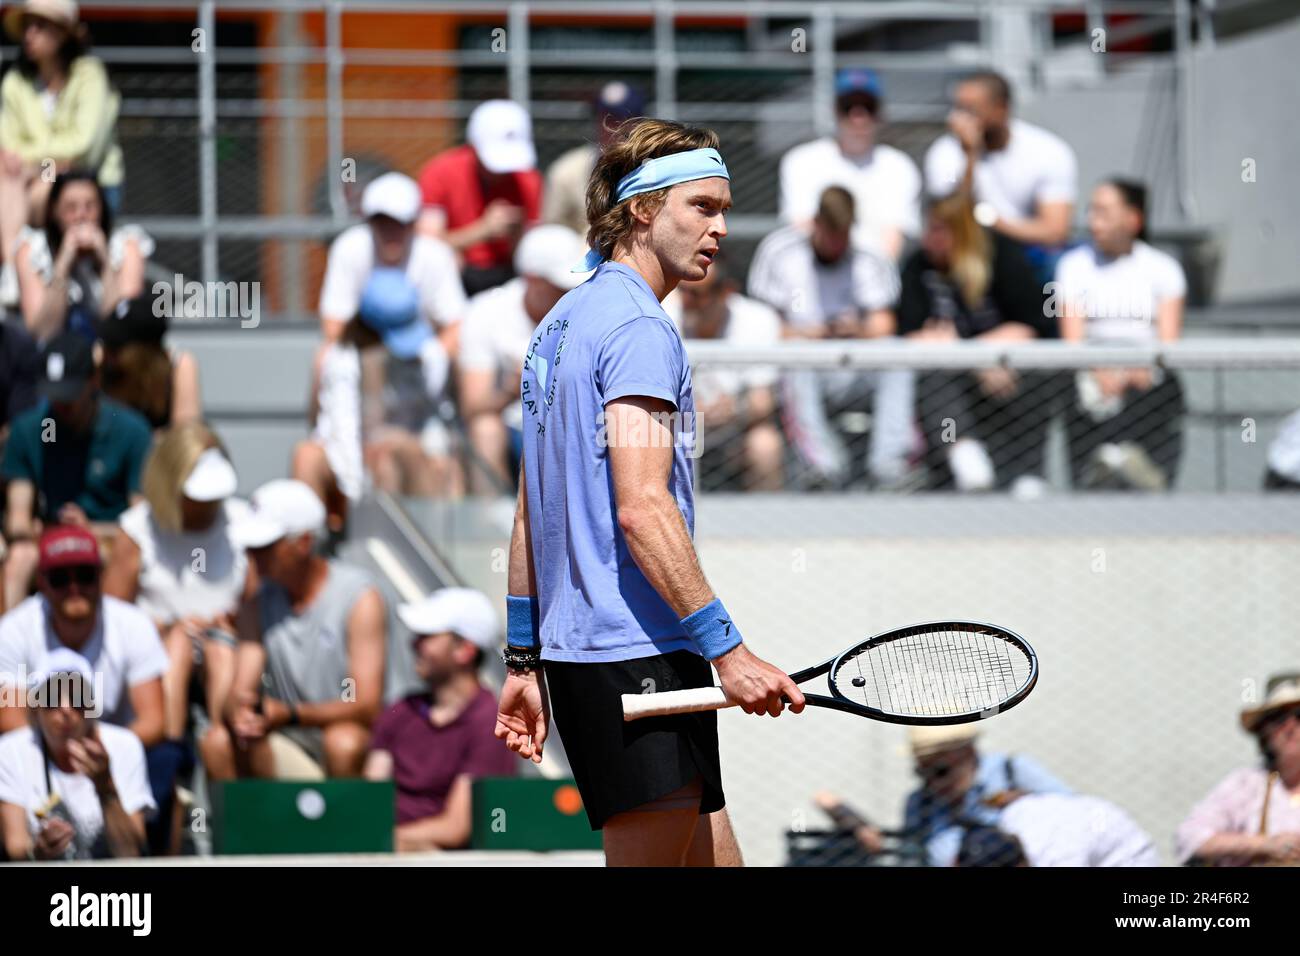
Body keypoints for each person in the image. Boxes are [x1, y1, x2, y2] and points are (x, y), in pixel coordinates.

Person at [494, 118, 805, 868]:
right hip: (637, 660)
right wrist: (728, 651)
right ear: (642, 210)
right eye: (702, 206)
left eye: (723, 208)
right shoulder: (639, 326)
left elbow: (532, 511)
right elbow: (642, 506)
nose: (721, 227)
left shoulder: (559, 324)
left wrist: (521, 660)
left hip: (608, 658)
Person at [101, 425, 251, 769]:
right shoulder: (138, 531)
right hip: (159, 653)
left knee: (219, 649)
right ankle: (168, 761)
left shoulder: (243, 524)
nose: (205, 504)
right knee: (179, 646)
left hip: (227, 648)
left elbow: (261, 602)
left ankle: (224, 749)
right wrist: (162, 627)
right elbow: (112, 618)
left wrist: (229, 621)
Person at [214, 479, 385, 781]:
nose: (253, 557)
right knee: (217, 744)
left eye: (265, 547)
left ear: (304, 543)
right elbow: (242, 685)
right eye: (250, 548)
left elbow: (366, 705)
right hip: (290, 741)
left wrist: (289, 714)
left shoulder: (359, 597)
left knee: (342, 743)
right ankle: (255, 829)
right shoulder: (255, 600)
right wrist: (241, 711)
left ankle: (342, 828)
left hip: (350, 748)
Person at [748, 185, 914, 490]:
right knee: (797, 355)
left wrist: (857, 330)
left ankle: (890, 467)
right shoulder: (780, 251)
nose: (837, 244)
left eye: (844, 235)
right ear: (816, 223)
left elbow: (885, 324)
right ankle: (822, 468)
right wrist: (807, 333)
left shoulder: (869, 257)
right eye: (831, 234)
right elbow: (760, 325)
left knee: (896, 352)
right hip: (802, 366)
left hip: (854, 365)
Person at [896, 193, 1059, 493]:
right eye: (930, 228)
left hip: (1001, 366)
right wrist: (962, 356)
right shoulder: (917, 267)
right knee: (933, 375)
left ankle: (1028, 477)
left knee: (1034, 371)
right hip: (949, 373)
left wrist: (979, 353)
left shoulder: (1002, 255)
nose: (930, 238)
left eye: (940, 230)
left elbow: (1033, 324)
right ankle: (964, 456)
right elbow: (909, 332)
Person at [1, 332, 151, 610]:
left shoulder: (130, 431)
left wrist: (88, 531)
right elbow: (17, 518)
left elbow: (141, 523)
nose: (62, 404)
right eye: (55, 393)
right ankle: (10, 647)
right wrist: (38, 530)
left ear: (93, 380)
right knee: (19, 558)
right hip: (48, 539)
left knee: (123, 556)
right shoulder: (28, 430)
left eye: (70, 392)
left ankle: (111, 646)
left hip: (108, 538)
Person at [1055, 179, 1186, 490]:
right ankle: (1108, 461)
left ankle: (1136, 464)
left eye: (1103, 211)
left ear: (1133, 219)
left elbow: (1168, 341)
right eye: (1091, 211)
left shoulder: (1163, 268)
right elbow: (1072, 338)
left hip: (1143, 377)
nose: (1092, 221)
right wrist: (1099, 371)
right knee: (1080, 389)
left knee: (1162, 386)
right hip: (1092, 375)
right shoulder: (1073, 266)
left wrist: (1138, 369)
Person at [364, 587, 516, 852]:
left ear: (464, 650)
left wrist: (379, 841)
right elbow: (370, 799)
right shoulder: (400, 710)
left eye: (427, 636)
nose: (414, 644)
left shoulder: (490, 723)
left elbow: (454, 828)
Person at [0, 0, 123, 307]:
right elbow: (7, 144)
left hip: (86, 178)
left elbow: (82, 145)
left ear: (64, 34)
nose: (30, 34)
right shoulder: (15, 81)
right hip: (34, 179)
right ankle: (15, 271)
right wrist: (41, 162)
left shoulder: (90, 75)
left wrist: (32, 162)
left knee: (29, 181)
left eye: (40, 26)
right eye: (27, 25)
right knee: (9, 177)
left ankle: (17, 269)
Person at [457, 223, 591, 494]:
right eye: (557, 285)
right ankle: (490, 524)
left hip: (571, 427)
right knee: (485, 430)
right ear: (531, 279)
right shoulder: (486, 313)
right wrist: (514, 385)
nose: (566, 294)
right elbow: (473, 407)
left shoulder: (585, 311)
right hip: (511, 431)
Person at [0, 647, 153, 861]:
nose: (65, 709)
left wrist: (105, 787)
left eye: (77, 697)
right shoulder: (12, 750)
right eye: (52, 698)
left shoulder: (124, 746)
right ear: (35, 709)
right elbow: (15, 846)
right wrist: (37, 851)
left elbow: (130, 853)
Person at [923, 71, 1076, 278]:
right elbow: (950, 214)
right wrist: (969, 156)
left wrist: (993, 222)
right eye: (958, 108)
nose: (960, 119)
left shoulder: (1047, 150)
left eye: (971, 110)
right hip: (967, 250)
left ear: (1001, 108)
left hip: (1027, 253)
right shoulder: (945, 152)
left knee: (1058, 262)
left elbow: (1055, 231)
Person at [662, 251, 784, 490]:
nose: (686, 301)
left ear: (726, 292)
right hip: (676, 430)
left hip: (735, 433)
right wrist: (686, 411)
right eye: (682, 291)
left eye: (696, 294)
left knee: (765, 445)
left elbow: (762, 402)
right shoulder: (663, 314)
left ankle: (768, 524)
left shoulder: (757, 320)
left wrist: (734, 410)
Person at [778, 68, 922, 262]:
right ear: (835, 110)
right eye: (848, 106)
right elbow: (801, 230)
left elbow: (893, 241)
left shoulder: (899, 167)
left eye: (867, 106)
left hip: (874, 278)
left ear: (880, 113)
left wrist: (870, 280)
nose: (858, 117)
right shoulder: (802, 162)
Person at [318, 171, 466, 346]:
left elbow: (456, 323)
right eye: (382, 222)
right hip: (363, 347)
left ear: (413, 224)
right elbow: (334, 321)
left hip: (422, 347)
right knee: (326, 359)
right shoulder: (348, 248)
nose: (391, 232)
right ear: (370, 223)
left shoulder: (436, 255)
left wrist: (433, 357)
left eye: (400, 223)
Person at [893, 724, 1069, 868]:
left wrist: (1027, 801)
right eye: (922, 773)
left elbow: (1077, 814)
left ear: (968, 752)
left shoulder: (1011, 772)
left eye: (941, 771)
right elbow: (909, 859)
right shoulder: (919, 803)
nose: (933, 783)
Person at [417, 99, 542, 295]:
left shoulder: (528, 180)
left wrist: (517, 235)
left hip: (510, 277)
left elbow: (532, 251)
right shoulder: (440, 173)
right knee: (444, 260)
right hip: (457, 277)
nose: (502, 173)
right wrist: (483, 230)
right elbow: (426, 244)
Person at [1176, 673, 1300, 866]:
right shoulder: (1247, 783)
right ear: (1264, 731)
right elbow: (1190, 838)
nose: (1291, 727)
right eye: (1279, 718)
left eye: (1299, 716)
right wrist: (1264, 845)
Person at [13, 169, 149, 343]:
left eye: (90, 206)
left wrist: (105, 264)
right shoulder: (32, 249)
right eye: (71, 208)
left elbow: (123, 329)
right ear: (53, 212)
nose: (81, 215)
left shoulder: (127, 246)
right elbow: (43, 332)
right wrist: (63, 265)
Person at [543, 81, 646, 238]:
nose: (610, 126)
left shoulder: (653, 168)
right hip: (582, 255)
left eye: (622, 118)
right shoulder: (566, 170)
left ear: (638, 124)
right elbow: (551, 232)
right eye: (605, 117)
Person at [98, 294, 201, 431]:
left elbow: (184, 437)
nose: (108, 354)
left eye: (116, 348)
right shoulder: (100, 364)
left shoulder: (178, 367)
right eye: (107, 345)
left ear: (147, 351)